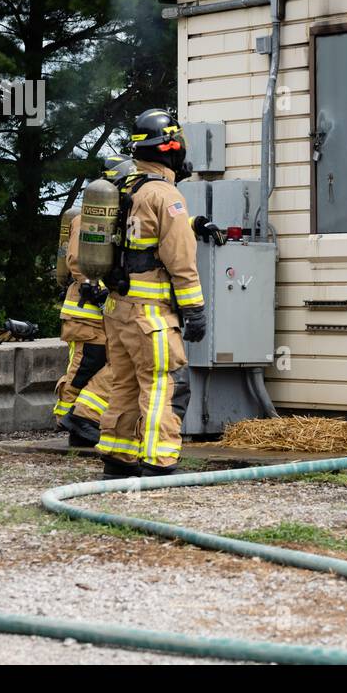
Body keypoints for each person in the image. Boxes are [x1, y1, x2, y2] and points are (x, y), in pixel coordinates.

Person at [96, 109, 219, 478]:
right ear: (169, 147)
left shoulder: (126, 188)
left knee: (125, 384)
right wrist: (194, 309)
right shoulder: (166, 195)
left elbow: (140, 242)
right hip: (151, 315)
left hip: (117, 309)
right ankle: (159, 462)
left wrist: (192, 224)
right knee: (163, 385)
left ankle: (118, 458)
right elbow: (180, 260)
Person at [52, 155, 133, 447]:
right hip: (85, 310)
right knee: (86, 366)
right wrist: (91, 285)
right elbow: (76, 259)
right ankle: (72, 420)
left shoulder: (116, 215)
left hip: (101, 310)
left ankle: (79, 423)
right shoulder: (87, 216)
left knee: (100, 365)